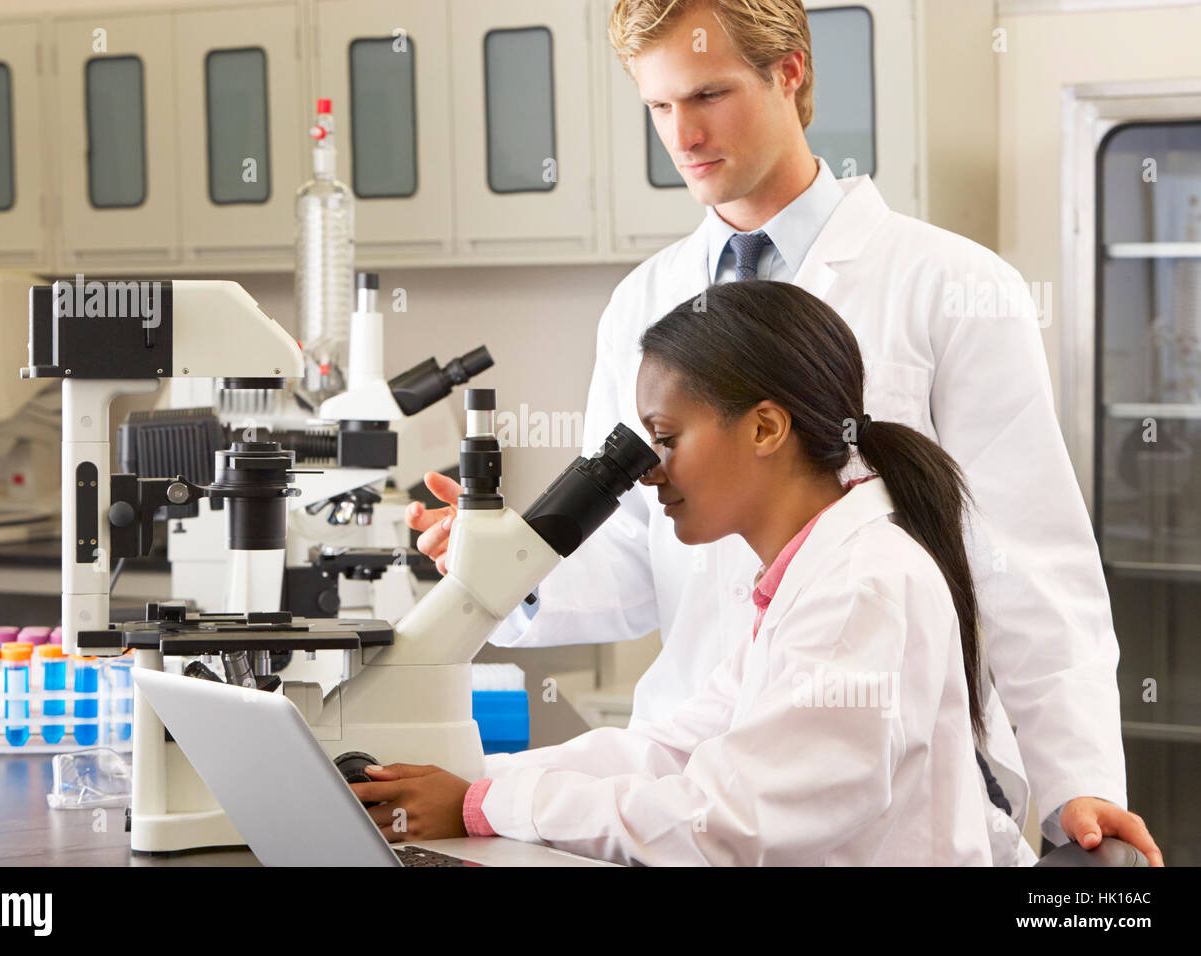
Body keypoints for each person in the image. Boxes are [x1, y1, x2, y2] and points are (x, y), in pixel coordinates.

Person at [407, 0, 1162, 865]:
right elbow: (633, 552)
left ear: (790, 70)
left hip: (870, 792)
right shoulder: (642, 305)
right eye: (659, 108)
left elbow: (1030, 564)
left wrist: (1080, 784)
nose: (683, 135)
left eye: (708, 95)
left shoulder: (951, 285)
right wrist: (503, 566)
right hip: (694, 763)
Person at [352, 281, 995, 865]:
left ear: (765, 428)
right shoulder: (807, 575)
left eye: (665, 438)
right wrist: (475, 778)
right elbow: (670, 749)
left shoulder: (859, 589)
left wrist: (485, 804)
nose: (648, 471)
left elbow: (726, 823)